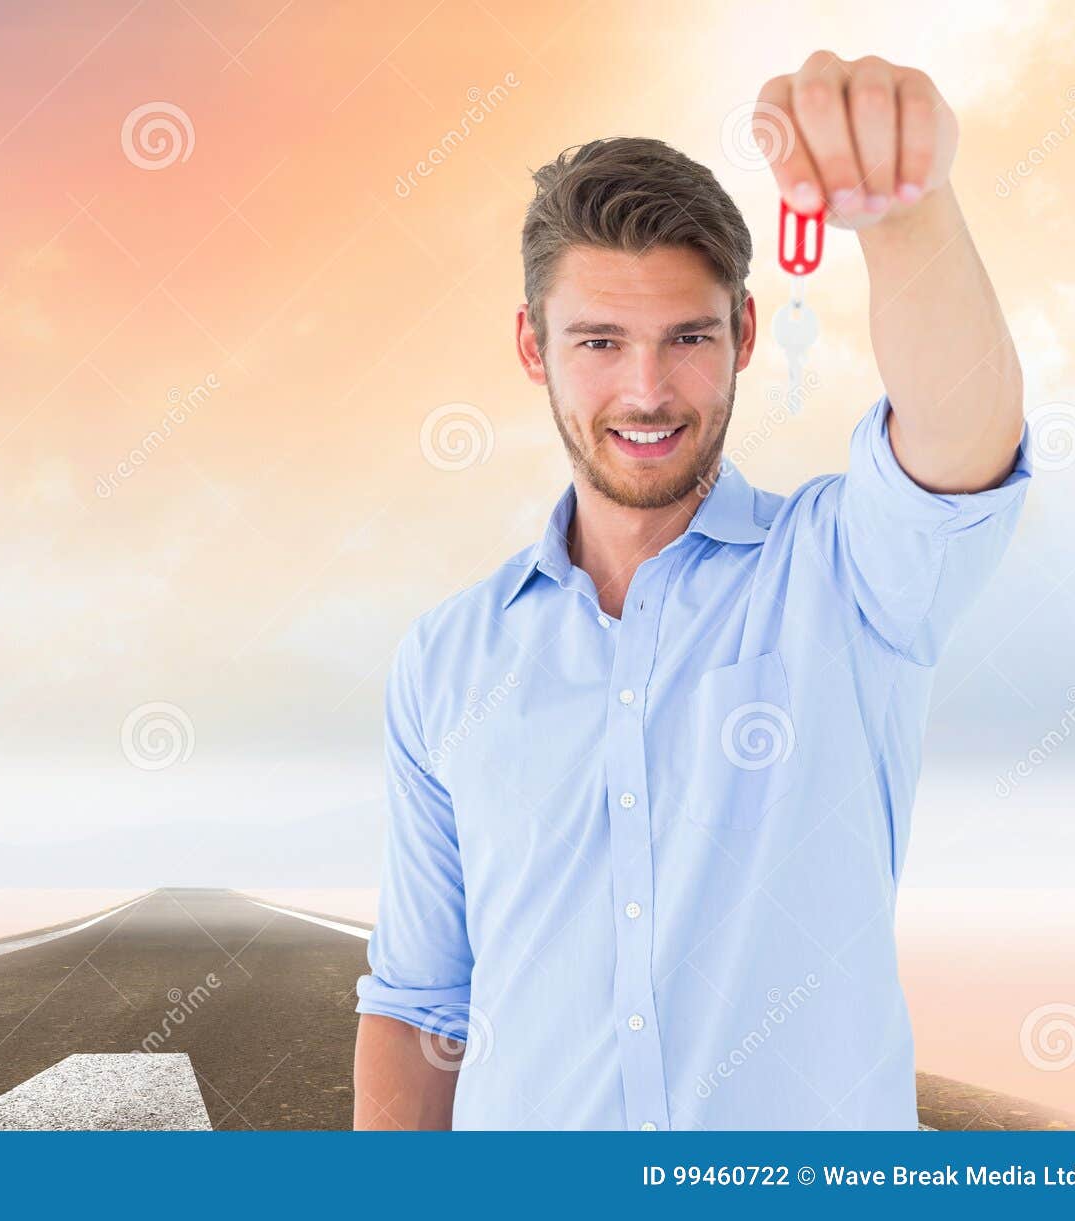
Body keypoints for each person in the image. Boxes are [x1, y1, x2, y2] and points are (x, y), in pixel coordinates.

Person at [352, 52, 1031, 1131]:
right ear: (533, 348)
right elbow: (420, 1003)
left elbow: (960, 437)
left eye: (687, 338)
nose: (646, 391)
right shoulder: (448, 659)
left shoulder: (844, 576)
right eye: (598, 342)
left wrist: (906, 211)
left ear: (745, 337)